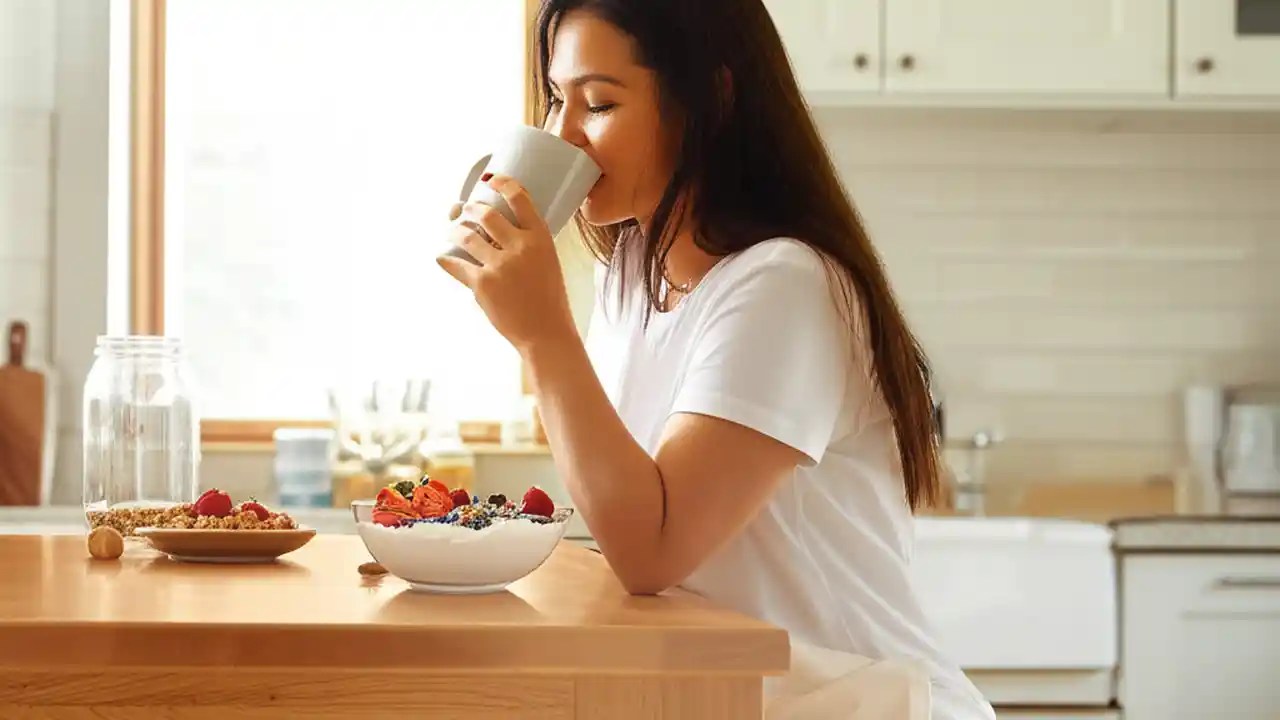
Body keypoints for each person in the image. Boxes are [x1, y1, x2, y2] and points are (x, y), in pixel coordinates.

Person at [438, 1, 996, 718]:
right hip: (733, 699)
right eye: (556, 99)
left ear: (712, 98)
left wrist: (542, 338)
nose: (564, 136)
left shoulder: (786, 284)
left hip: (856, 703)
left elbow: (654, 552)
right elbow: (629, 519)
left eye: (599, 103)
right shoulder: (631, 276)